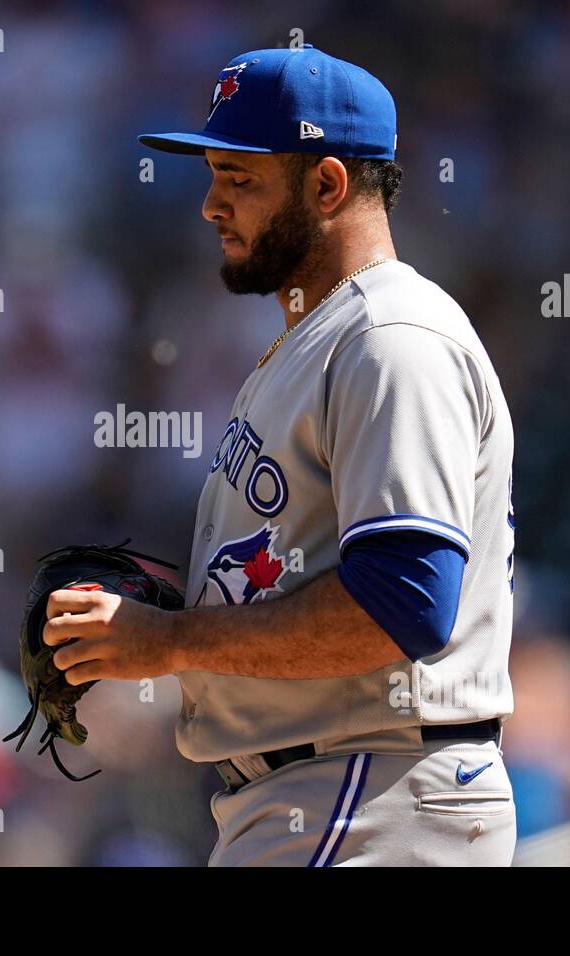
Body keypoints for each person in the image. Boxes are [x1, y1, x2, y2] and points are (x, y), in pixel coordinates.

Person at [44, 46, 518, 865]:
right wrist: (165, 612)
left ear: (328, 186)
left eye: (241, 179)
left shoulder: (388, 338)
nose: (211, 206)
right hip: (331, 788)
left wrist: (171, 641)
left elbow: (403, 604)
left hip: (369, 789)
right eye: (213, 176)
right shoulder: (321, 339)